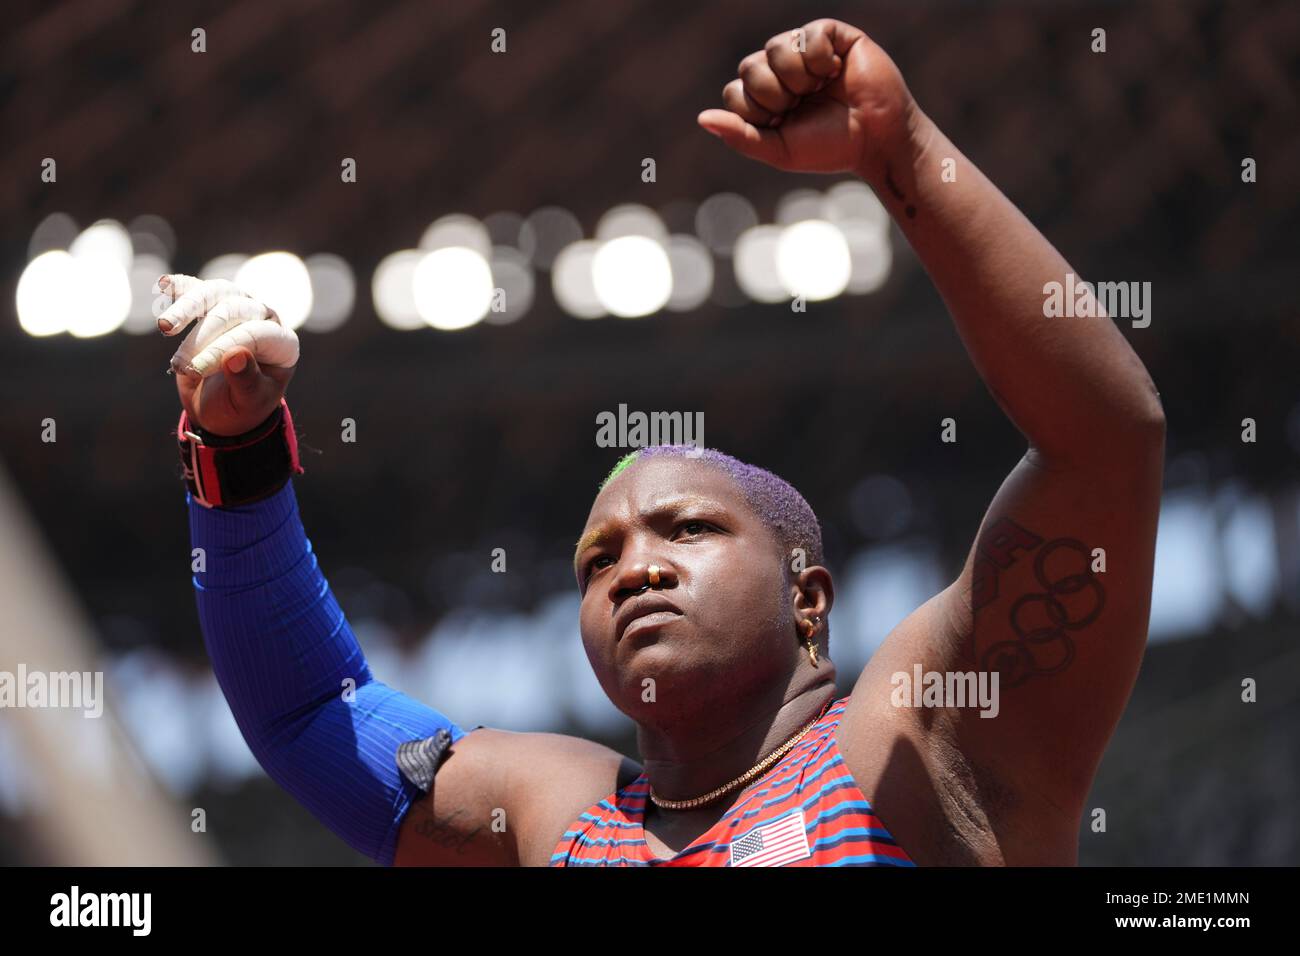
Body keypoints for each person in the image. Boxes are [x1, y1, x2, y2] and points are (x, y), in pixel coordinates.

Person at [160, 18, 1164, 866]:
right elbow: (305, 711)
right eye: (598, 560)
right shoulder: (557, 812)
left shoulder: (911, 738)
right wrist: (233, 443)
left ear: (807, 595)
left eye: (684, 528)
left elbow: (1104, 446)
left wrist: (901, 157)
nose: (633, 568)